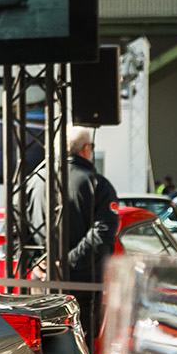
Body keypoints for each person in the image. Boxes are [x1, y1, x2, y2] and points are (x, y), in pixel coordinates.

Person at [59, 126, 120, 342]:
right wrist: (69, 262)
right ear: (86, 149)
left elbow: (17, 230)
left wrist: (42, 263)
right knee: (80, 350)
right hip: (82, 286)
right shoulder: (97, 183)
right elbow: (103, 234)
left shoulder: (35, 180)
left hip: (41, 284)